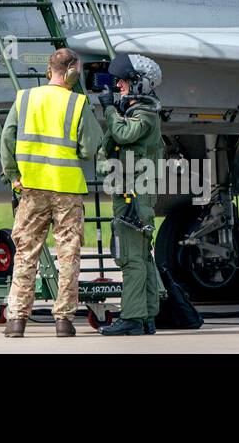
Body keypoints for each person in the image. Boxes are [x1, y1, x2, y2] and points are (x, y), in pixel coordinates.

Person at [0, 47, 101, 337]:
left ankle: (17, 319)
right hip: (66, 189)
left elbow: (7, 138)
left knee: (26, 253)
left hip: (31, 187)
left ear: (49, 69)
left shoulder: (25, 98)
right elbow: (90, 148)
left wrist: (13, 175)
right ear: (71, 72)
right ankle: (64, 321)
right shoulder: (77, 104)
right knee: (68, 254)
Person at [95, 53, 165, 335]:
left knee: (132, 258)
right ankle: (147, 315)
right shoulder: (136, 112)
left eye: (124, 80)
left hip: (134, 194)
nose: (119, 84)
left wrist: (110, 110)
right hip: (133, 192)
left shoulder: (144, 115)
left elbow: (124, 134)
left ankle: (132, 318)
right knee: (142, 256)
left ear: (140, 84)